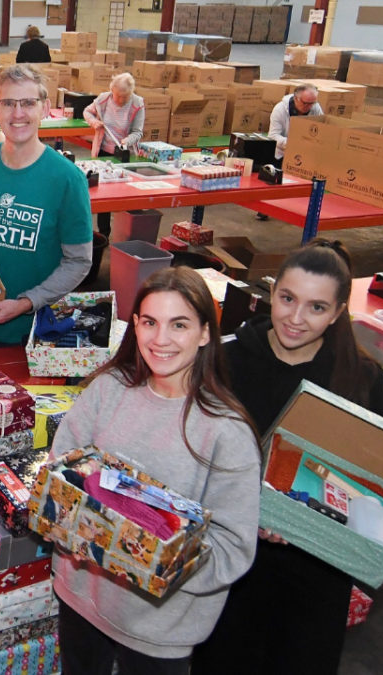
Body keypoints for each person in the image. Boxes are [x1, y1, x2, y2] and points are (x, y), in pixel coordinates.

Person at [192, 239, 383, 675]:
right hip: (235, 562)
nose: (295, 318)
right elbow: (195, 455)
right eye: (288, 298)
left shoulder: (360, 377)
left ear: (337, 313)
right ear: (271, 293)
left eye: (316, 308)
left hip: (317, 574)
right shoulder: (225, 360)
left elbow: (379, 472)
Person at [50, 266, 261, 674]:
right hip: (81, 599)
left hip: (159, 629)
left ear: (204, 333)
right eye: (149, 322)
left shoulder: (226, 434)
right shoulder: (109, 389)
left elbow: (233, 547)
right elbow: (63, 471)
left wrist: (153, 565)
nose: (160, 340)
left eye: (178, 324)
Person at [0, 64, 93, 351]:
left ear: (46, 108)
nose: (18, 113)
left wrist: (26, 302)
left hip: (31, 334)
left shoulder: (67, 179)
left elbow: (78, 261)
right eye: (9, 103)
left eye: (28, 103)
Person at [83, 72, 145, 237]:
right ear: (112, 91)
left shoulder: (137, 104)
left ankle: (132, 233)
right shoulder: (103, 99)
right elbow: (87, 112)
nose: (120, 100)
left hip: (125, 154)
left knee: (129, 194)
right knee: (105, 194)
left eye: (125, 96)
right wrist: (95, 123)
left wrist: (126, 141)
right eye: (117, 96)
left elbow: (138, 132)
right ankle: (104, 234)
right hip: (103, 152)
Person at [259, 83, 322, 220]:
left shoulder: (315, 108)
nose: (309, 107)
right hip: (281, 151)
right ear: (296, 98)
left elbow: (322, 130)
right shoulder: (280, 109)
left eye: (312, 103)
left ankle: (304, 210)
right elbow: (273, 136)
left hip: (306, 151)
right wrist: (294, 145)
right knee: (274, 178)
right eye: (306, 103)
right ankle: (264, 208)